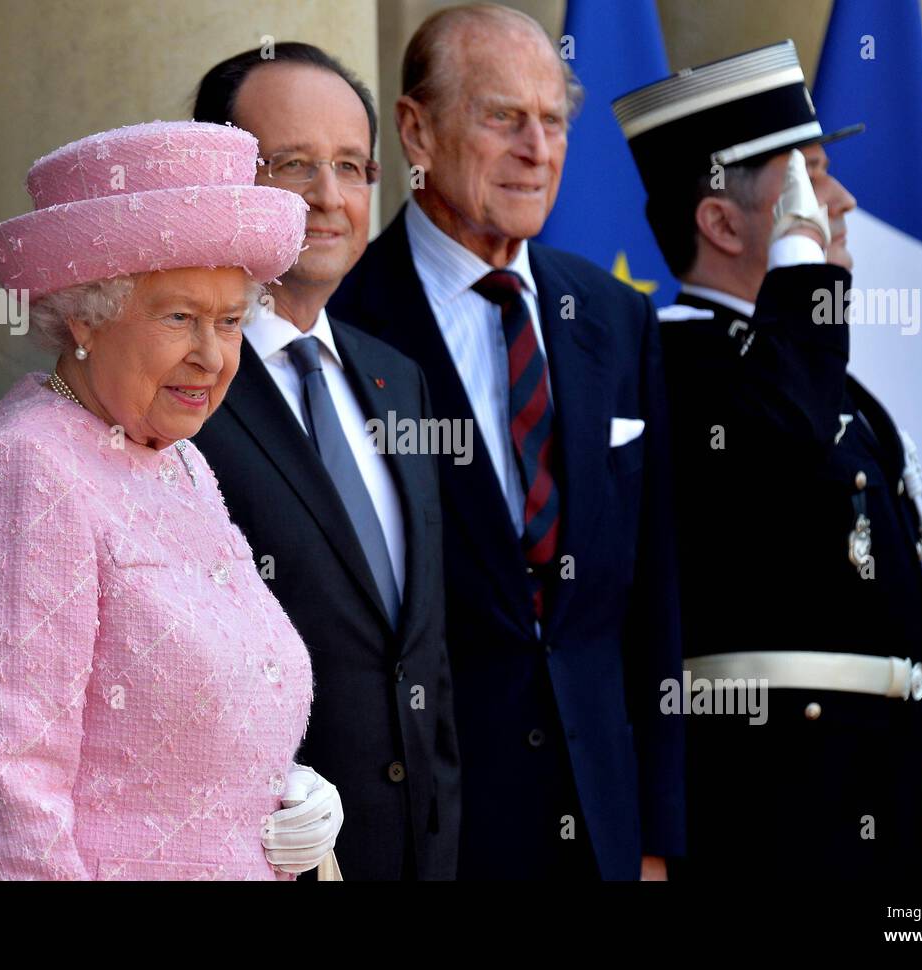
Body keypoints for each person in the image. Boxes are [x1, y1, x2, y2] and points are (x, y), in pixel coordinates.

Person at [0, 120, 345, 880]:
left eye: (231, 321)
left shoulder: (175, 463)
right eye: (178, 317)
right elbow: (5, 819)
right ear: (86, 314)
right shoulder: (22, 477)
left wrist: (277, 792)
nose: (210, 356)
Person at [330, 3, 684, 880]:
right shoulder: (339, 322)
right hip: (436, 833)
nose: (538, 148)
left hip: (602, 825)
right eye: (502, 117)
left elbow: (657, 600)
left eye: (554, 120)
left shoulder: (616, 317)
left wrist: (656, 839)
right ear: (416, 129)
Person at [612, 40, 922, 879]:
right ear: (720, 221)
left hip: (876, 806)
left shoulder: (832, 385)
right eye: (812, 179)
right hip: (763, 817)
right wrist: (801, 275)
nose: (842, 201)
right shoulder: (670, 366)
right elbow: (787, 429)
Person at [190, 44, 460, 880]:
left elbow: (422, 650)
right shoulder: (180, 389)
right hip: (260, 857)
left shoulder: (399, 380)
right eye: (295, 165)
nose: (332, 198)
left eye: (352, 165)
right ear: (217, 181)